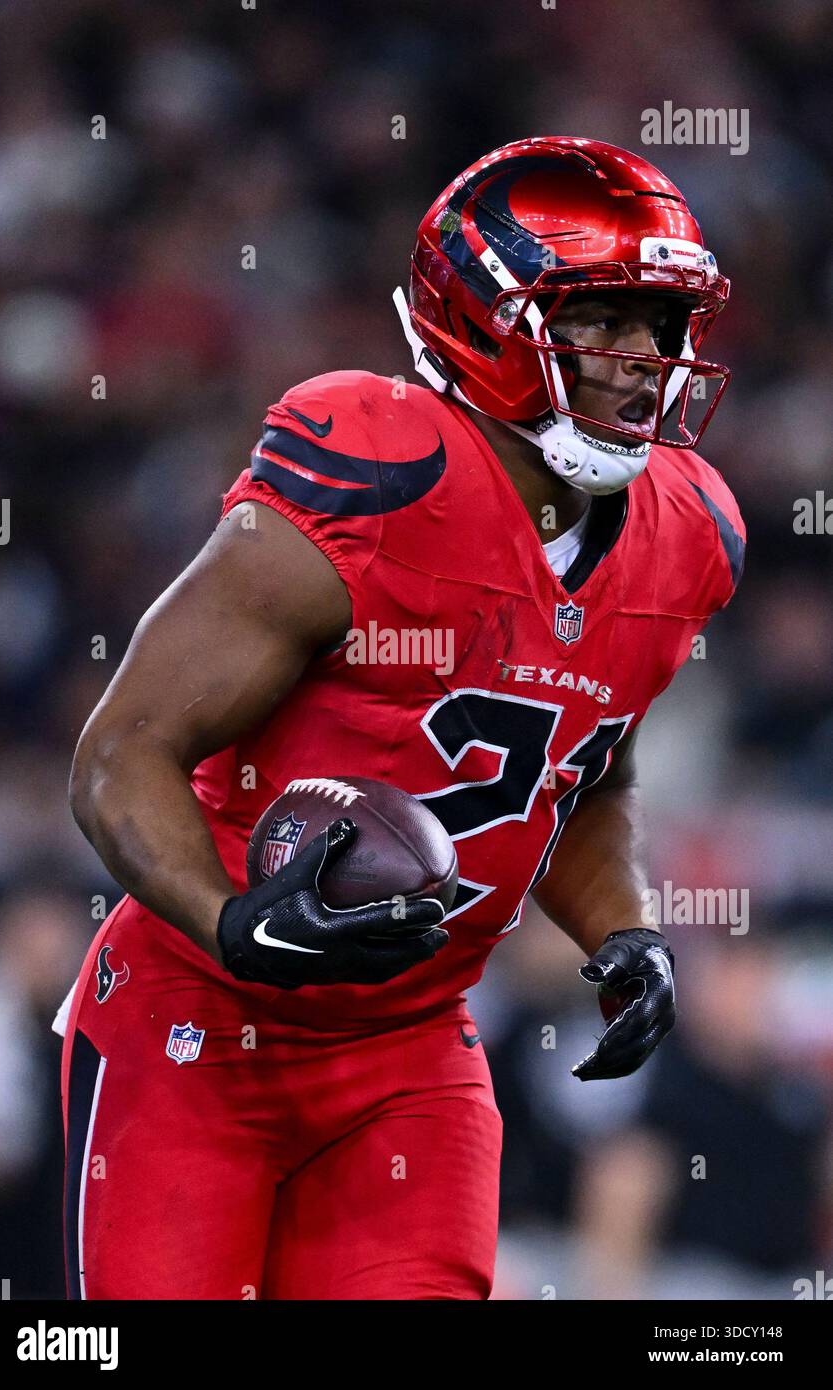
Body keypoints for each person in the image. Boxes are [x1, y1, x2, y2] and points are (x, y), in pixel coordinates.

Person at [60, 136, 744, 1300]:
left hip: (408, 1050)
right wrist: (233, 923)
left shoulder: (688, 531)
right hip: (197, 1026)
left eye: (660, 328)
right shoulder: (378, 471)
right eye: (605, 323)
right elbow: (119, 758)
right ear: (484, 321)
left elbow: (580, 782)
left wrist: (621, 930)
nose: (644, 365)